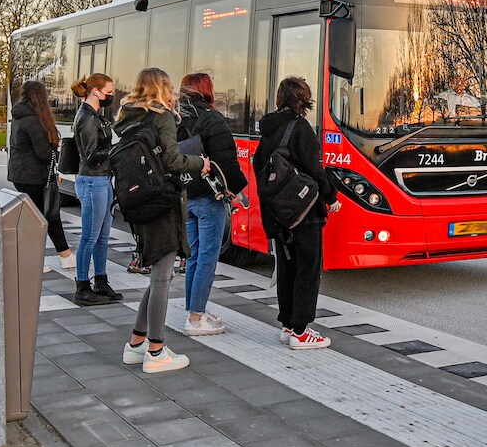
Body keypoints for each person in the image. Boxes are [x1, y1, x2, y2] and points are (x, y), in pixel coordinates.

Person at [117, 68, 210, 374]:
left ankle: (136, 343)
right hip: (161, 200)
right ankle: (156, 351)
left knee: (159, 275)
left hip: (137, 198)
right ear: (161, 88)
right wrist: (200, 163)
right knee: (162, 278)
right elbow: (172, 160)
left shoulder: (128, 116)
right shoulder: (161, 117)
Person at [254, 76, 339, 350]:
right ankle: (301, 332)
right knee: (308, 268)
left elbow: (258, 166)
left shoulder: (268, 129)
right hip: (304, 211)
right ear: (303, 99)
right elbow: (315, 169)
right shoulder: (300, 127)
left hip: (277, 211)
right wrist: (331, 197)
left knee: (287, 266)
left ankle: (288, 325)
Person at [177, 73, 247, 337]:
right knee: (207, 257)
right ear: (207, 90)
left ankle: (194, 311)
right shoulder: (212, 119)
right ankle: (196, 318)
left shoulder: (176, 117)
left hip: (185, 195)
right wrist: (237, 192)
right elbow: (226, 160)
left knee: (193, 256)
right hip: (208, 197)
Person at [8, 81, 75, 270]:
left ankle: (64, 255)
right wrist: (57, 152)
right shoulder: (33, 120)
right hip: (34, 175)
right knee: (44, 217)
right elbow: (44, 153)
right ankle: (35, 261)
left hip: (20, 174)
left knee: (45, 215)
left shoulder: (19, 116)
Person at [71, 74, 122, 306]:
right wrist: (116, 150)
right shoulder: (87, 117)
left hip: (102, 180)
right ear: (96, 91)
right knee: (90, 237)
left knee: (102, 236)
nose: (111, 96)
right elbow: (91, 156)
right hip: (93, 181)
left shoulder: (95, 115)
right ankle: (82, 287)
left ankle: (101, 281)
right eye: (109, 92)